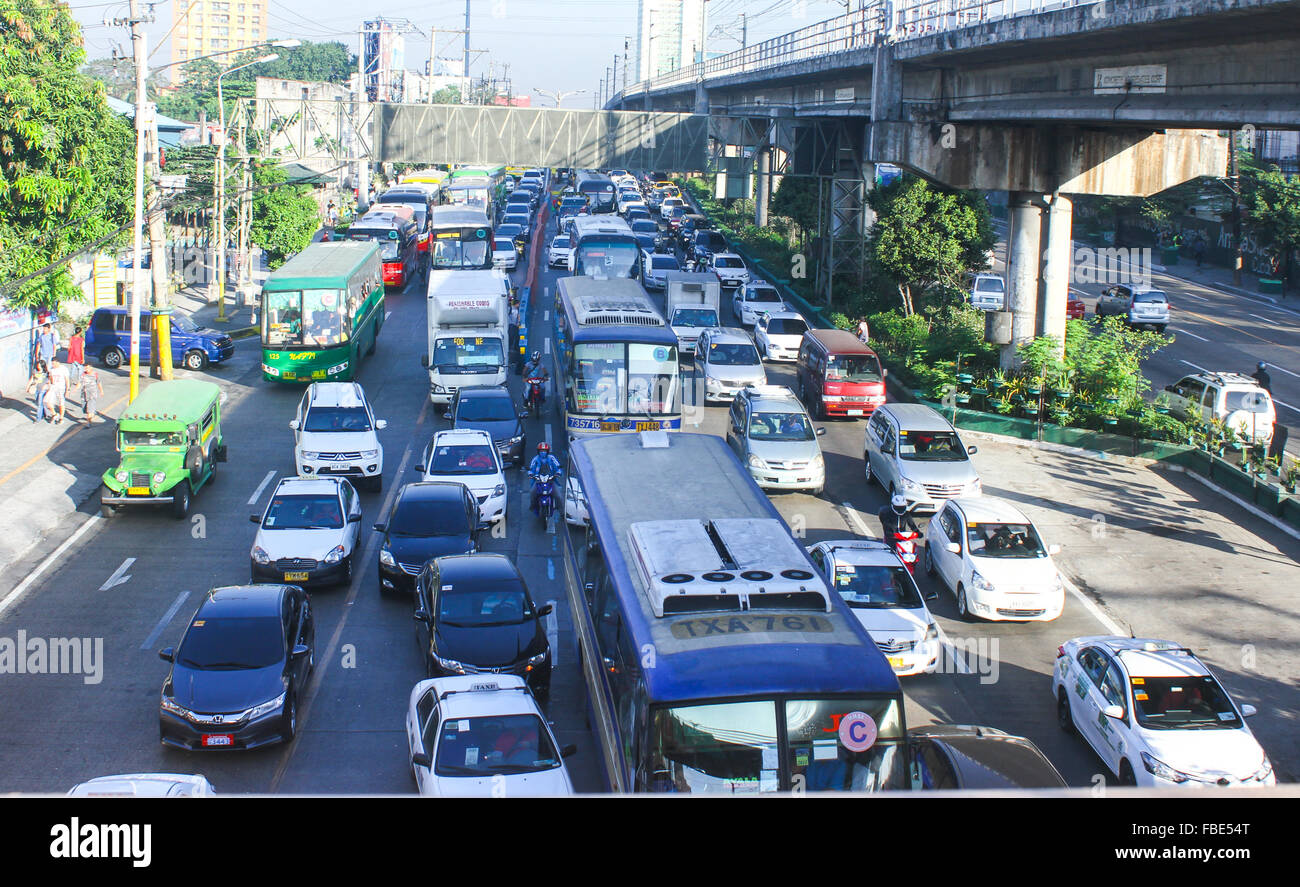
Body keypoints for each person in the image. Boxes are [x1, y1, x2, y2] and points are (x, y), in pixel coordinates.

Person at [527, 442, 562, 516]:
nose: (543, 453)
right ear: (538, 452)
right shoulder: (535, 459)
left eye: (544, 451)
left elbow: (558, 466)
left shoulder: (551, 458)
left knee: (558, 496)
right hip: (538, 480)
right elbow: (531, 468)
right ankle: (533, 506)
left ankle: (561, 511)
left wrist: (558, 473)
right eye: (541, 451)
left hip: (551, 479)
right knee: (532, 493)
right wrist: (530, 474)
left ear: (547, 452)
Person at [47, 358, 69, 424]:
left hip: (61, 388)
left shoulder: (64, 369)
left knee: (61, 403)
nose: (52, 365)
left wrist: (67, 389)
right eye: (52, 363)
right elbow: (50, 379)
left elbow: (67, 380)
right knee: (48, 402)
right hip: (53, 388)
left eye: (53, 363)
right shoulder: (51, 370)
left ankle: (61, 418)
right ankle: (54, 414)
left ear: (57, 362)